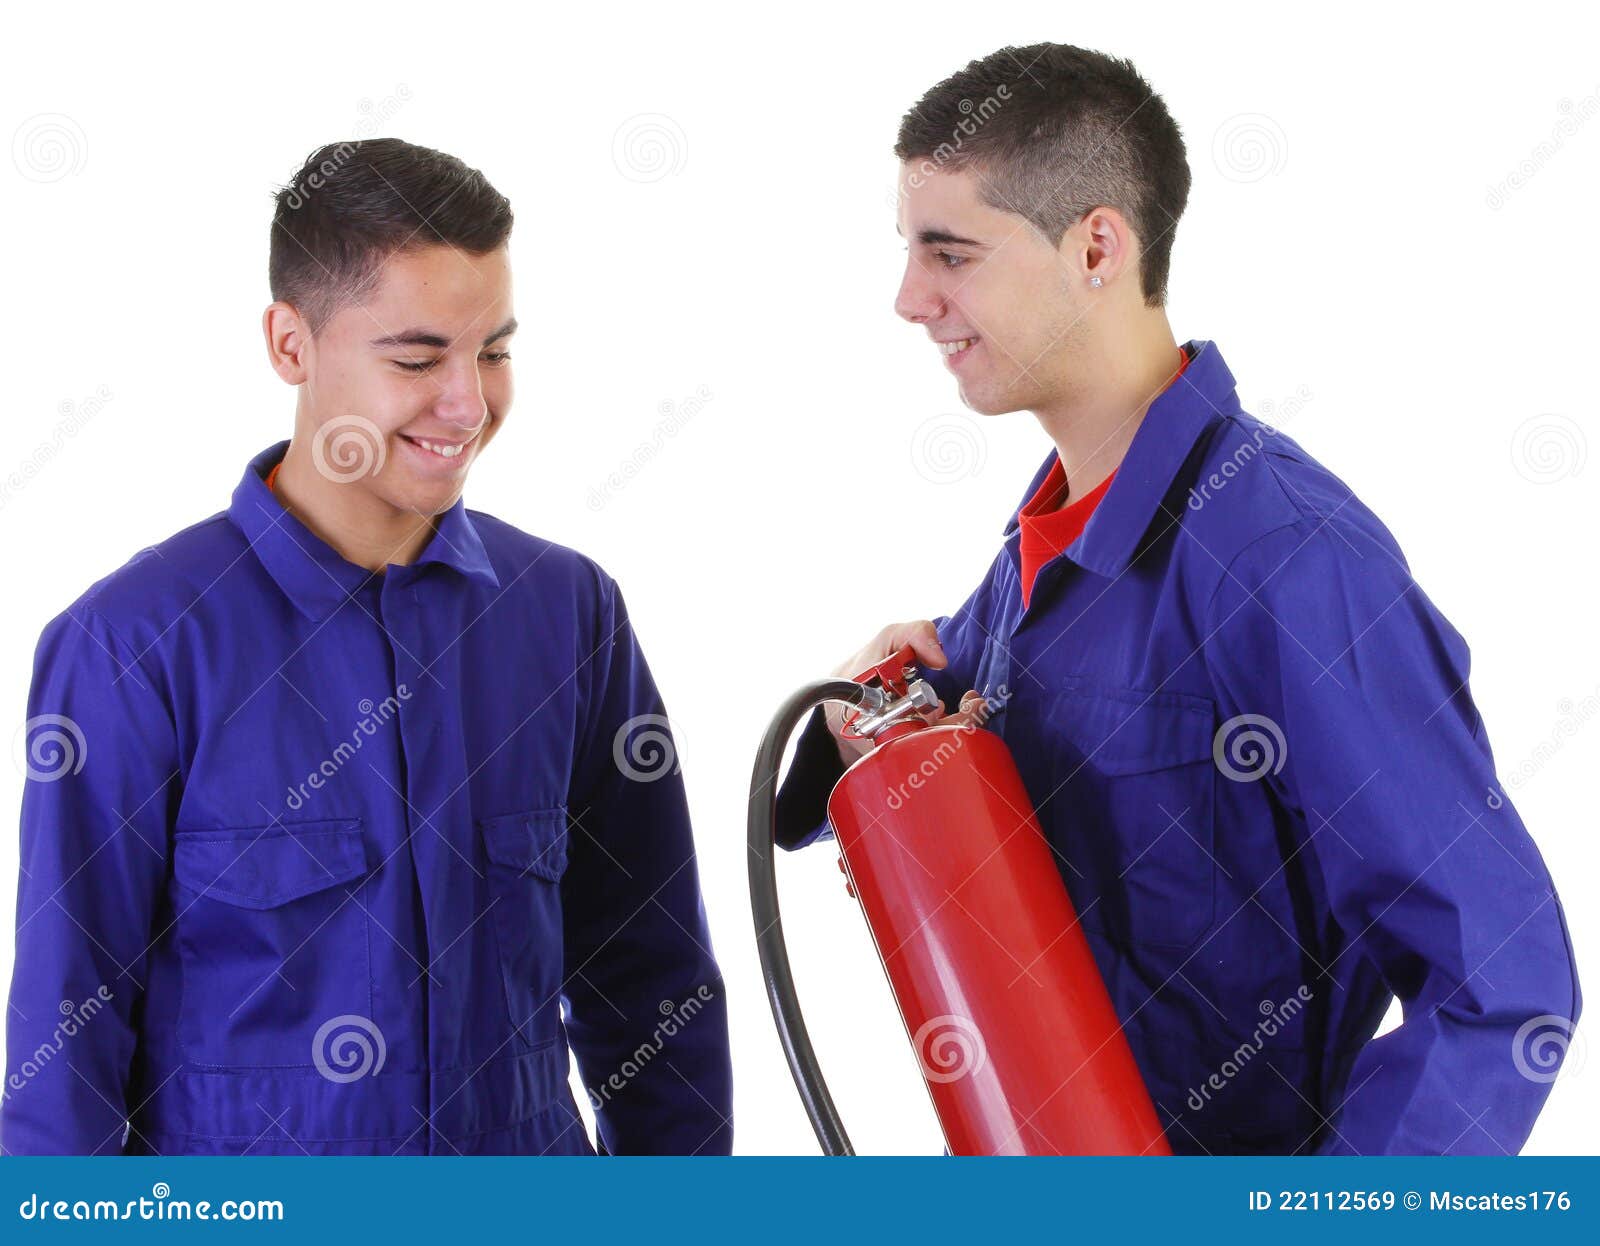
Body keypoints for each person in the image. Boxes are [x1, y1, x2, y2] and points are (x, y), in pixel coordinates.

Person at [775, 44, 1580, 1155]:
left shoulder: (1291, 560)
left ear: (1096, 245)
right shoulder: (1039, 559)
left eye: (948, 253)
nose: (910, 299)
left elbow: (1500, 984)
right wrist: (861, 709)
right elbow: (925, 751)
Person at [1, 139, 731, 1156]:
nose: (468, 404)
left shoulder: (567, 613)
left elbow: (652, 977)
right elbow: (62, 1046)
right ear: (291, 345)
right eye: (418, 357)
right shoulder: (134, 644)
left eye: (494, 351)